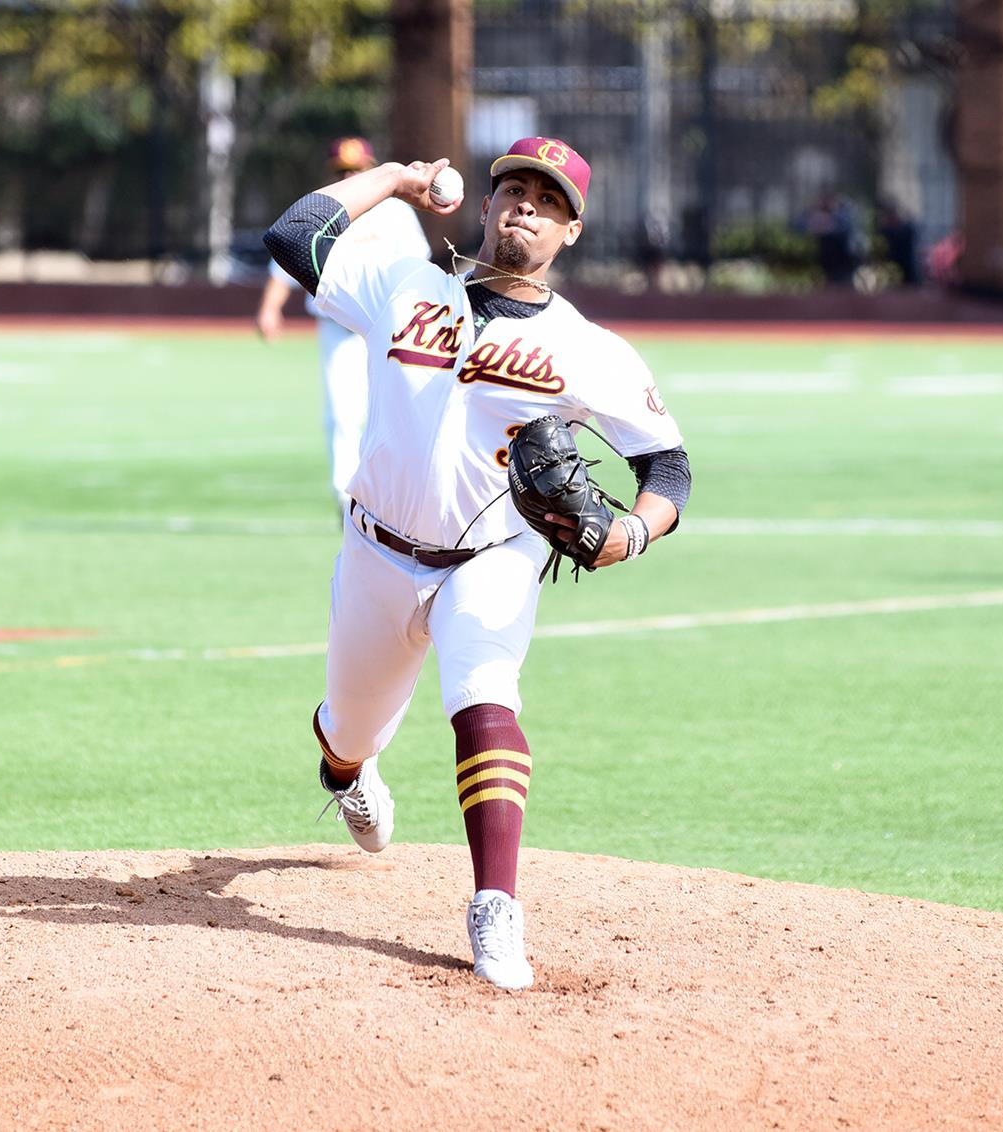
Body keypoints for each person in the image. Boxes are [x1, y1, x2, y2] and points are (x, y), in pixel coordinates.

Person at [261, 137, 693, 991]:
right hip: (378, 554)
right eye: (514, 190)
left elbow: (668, 469)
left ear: (571, 230)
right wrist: (397, 182)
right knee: (348, 734)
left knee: (484, 691)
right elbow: (292, 234)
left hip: (493, 554)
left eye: (549, 199)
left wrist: (632, 533)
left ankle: (496, 904)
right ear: (490, 206)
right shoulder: (403, 286)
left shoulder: (589, 349)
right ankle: (349, 771)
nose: (525, 205)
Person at [254, 137, 431, 511]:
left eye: (356, 169)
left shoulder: (396, 212)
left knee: (393, 408)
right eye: (341, 171)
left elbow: (419, 267)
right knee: (340, 411)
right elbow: (284, 266)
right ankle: (344, 495)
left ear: (372, 168)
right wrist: (270, 309)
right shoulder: (324, 209)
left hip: (385, 326)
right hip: (337, 326)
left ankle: (392, 491)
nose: (349, 175)